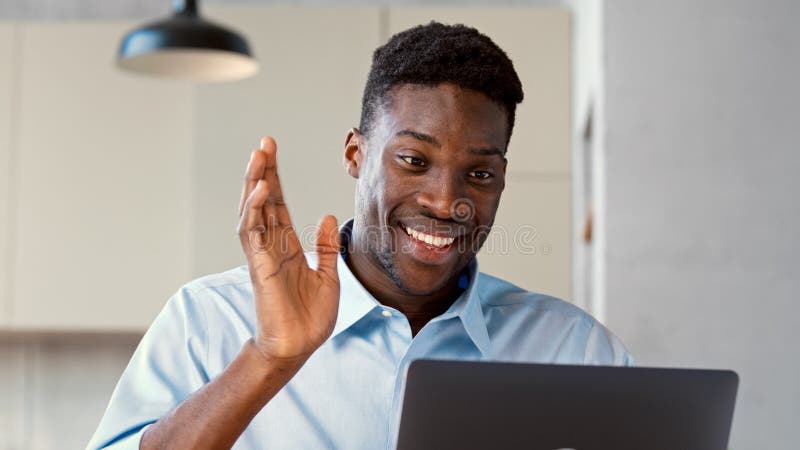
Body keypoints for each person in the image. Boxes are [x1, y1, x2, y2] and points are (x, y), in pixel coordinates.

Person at [88, 22, 632, 450]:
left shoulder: (573, 352)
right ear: (357, 154)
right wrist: (269, 358)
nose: (446, 201)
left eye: (480, 173)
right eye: (414, 161)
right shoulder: (209, 321)